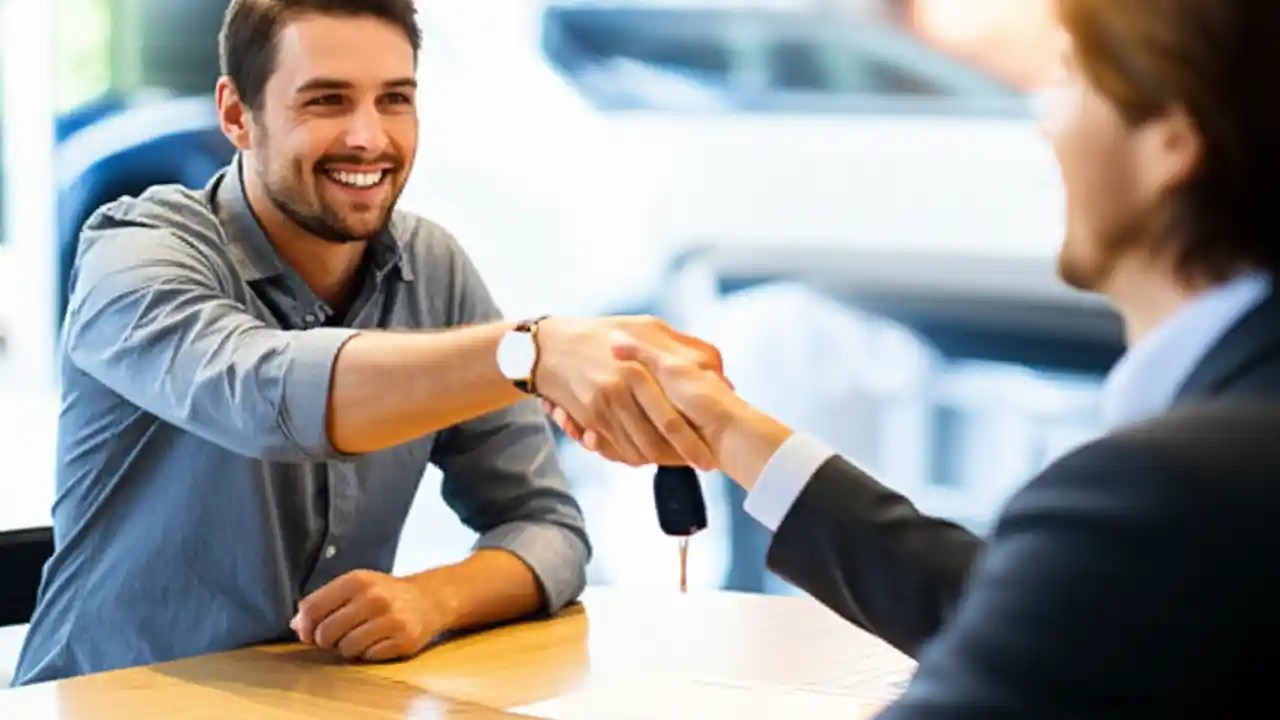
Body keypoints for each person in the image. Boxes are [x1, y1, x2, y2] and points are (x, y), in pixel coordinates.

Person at [551, 0, 1280, 715]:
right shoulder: (1229, 448)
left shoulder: (1158, 492)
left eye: (1069, 80)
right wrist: (735, 434)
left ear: (1172, 143)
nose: (1044, 129)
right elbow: (1019, 617)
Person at [13, 0, 720, 685]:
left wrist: (433, 598)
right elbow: (268, 396)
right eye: (326, 101)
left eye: (394, 100)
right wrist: (531, 354)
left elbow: (547, 529)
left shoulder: (431, 267)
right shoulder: (135, 251)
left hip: (324, 705)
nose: (369, 137)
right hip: (111, 699)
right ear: (237, 114)